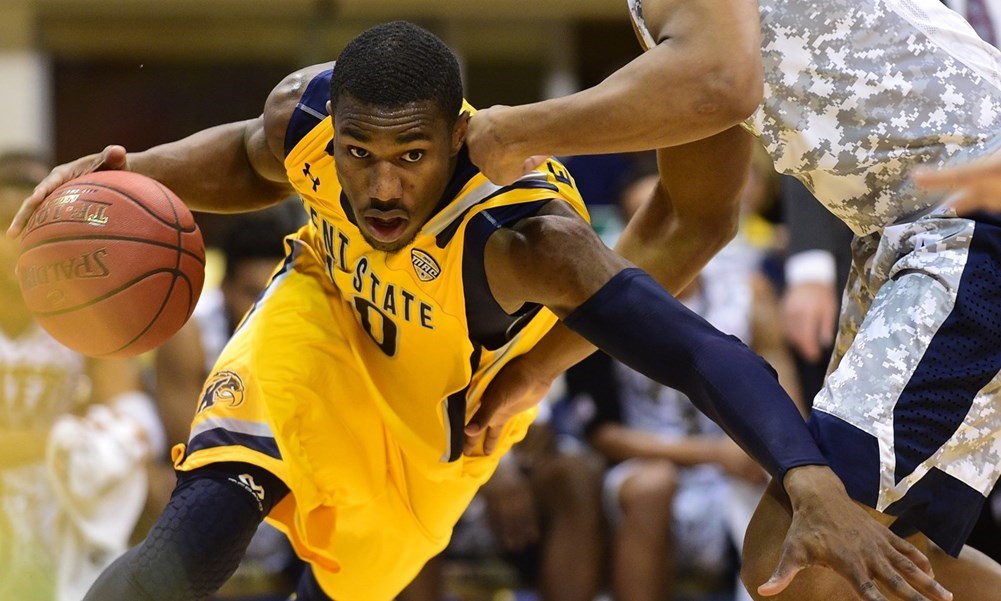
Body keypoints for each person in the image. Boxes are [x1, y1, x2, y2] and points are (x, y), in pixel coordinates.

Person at [5, 21, 851, 601]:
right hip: (319, 324)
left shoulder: (527, 239)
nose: (380, 187)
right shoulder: (302, 116)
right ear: (332, 131)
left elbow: (697, 351)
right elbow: (246, 157)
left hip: (442, 427)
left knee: (344, 583)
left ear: (456, 139)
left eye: (411, 157)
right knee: (199, 530)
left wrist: (804, 474)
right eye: (358, 155)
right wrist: (129, 171)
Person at [462, 0, 1001, 600]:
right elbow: (687, 225)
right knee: (888, 555)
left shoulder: (701, 48)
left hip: (969, 224)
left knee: (797, 562)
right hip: (913, 237)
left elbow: (720, 85)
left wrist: (516, 132)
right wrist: (537, 370)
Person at [0, 151, 165, 601]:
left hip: (57, 489)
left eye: (31, 230)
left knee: (155, 484)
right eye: (6, 227)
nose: (16, 244)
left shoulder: (84, 310)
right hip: (31, 475)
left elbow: (127, 417)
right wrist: (59, 434)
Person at [151, 204, 305, 600]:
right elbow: (190, 453)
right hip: (215, 477)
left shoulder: (313, 327)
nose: (265, 312)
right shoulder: (189, 333)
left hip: (293, 482)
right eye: (254, 293)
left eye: (278, 295)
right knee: (163, 489)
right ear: (223, 287)